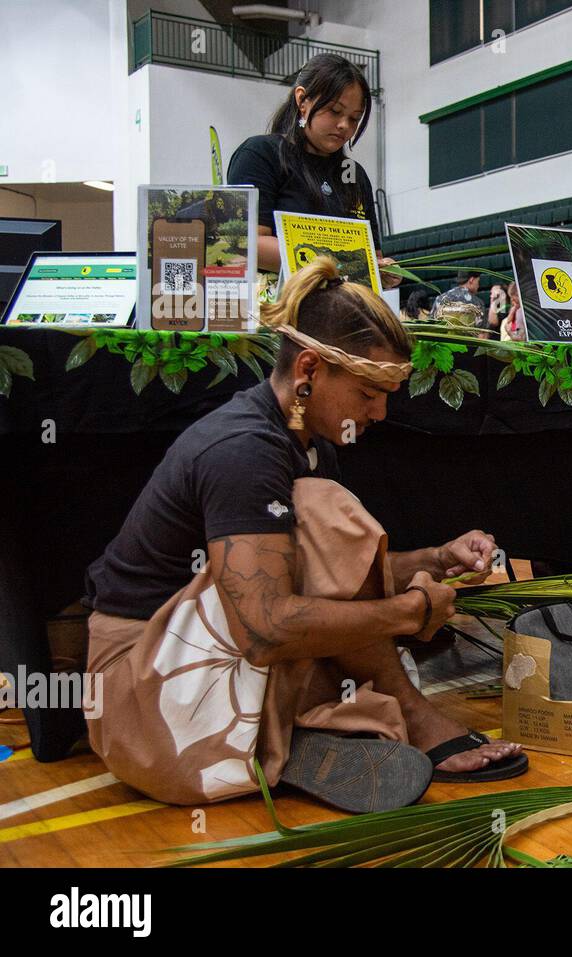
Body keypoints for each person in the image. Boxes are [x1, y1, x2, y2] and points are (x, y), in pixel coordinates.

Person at [82, 258, 526, 813]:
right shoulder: (242, 449)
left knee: (328, 546)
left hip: (200, 671)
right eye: (369, 393)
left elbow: (327, 576)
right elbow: (267, 629)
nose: (381, 412)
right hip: (146, 703)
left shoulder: (307, 438)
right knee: (323, 512)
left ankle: (282, 735)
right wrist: (412, 612)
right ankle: (380, 717)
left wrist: (435, 559)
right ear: (310, 369)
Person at [227, 54, 401, 289]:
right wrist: (333, 262)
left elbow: (372, 255)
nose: (344, 126)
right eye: (335, 111)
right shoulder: (260, 154)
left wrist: (381, 269)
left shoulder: (354, 175)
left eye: (354, 118)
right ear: (302, 100)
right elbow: (244, 243)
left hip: (342, 308)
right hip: (279, 309)